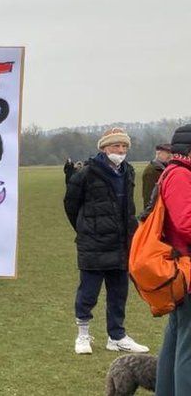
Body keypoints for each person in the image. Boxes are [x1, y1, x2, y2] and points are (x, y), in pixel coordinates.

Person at [64, 127, 148, 355]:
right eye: (115, 146)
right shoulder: (86, 173)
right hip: (93, 243)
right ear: (103, 148)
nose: (120, 150)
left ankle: (117, 336)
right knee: (88, 292)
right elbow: (71, 205)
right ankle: (82, 335)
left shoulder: (128, 171)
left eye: (124, 147)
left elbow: (128, 206)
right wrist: (86, 228)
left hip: (121, 243)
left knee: (119, 293)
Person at [155, 125, 191, 396]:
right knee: (187, 344)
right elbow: (185, 222)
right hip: (186, 267)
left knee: (178, 336)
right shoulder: (180, 176)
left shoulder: (174, 173)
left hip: (180, 268)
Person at [142, 143, 172, 211]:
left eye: (171, 153)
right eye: (167, 153)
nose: (170, 156)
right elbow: (148, 196)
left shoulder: (167, 169)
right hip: (156, 211)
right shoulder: (151, 171)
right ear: (158, 153)